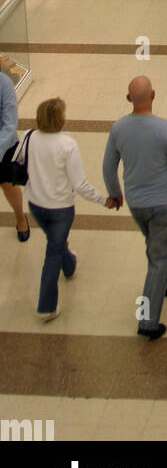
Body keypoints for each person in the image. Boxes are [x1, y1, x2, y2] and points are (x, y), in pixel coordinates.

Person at [103, 77, 167, 342]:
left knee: (157, 244)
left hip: (137, 205)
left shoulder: (118, 130)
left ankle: (166, 282)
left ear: (128, 99)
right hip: (164, 204)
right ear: (154, 95)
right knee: (159, 258)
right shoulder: (166, 130)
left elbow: (108, 167)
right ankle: (147, 321)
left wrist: (115, 194)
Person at [25, 97, 116, 322]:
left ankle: (71, 265)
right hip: (60, 210)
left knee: (56, 244)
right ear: (60, 119)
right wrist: (103, 201)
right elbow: (80, 184)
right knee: (52, 253)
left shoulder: (29, 137)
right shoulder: (68, 145)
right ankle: (46, 307)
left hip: (36, 204)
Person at [0, 68, 30, 241]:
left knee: (8, 186)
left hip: (4, 145)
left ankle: (20, 217)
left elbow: (10, 124)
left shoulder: (4, 84)